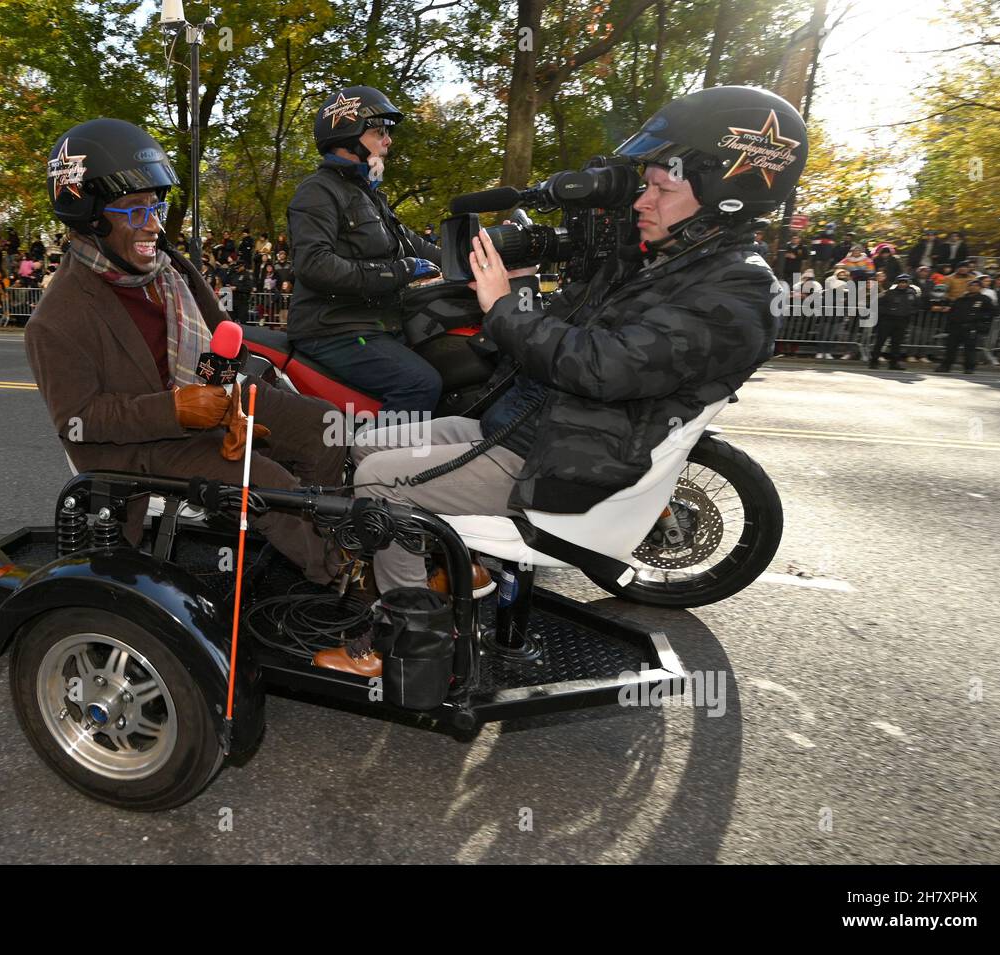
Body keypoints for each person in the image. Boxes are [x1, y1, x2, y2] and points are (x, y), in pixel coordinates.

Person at [314, 85, 808, 675]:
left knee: (380, 482)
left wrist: (504, 307)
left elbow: (599, 366)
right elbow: (529, 339)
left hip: (564, 459)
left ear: (728, 190)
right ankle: (450, 572)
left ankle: (410, 643)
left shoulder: (736, 290)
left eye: (660, 188)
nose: (643, 201)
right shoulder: (665, 263)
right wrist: (518, 286)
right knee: (361, 442)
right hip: (526, 431)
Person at [25, 117, 347, 586]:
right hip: (144, 444)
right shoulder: (56, 319)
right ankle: (340, 580)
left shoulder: (170, 268)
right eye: (135, 211)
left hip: (209, 401)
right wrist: (177, 409)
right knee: (268, 482)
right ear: (90, 216)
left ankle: (311, 543)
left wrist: (229, 397)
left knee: (323, 426)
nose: (153, 224)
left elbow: (221, 336)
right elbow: (81, 419)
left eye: (156, 207)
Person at [286, 85, 444, 415]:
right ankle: (375, 463)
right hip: (334, 329)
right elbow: (314, 265)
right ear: (348, 135)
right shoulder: (317, 191)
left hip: (375, 324)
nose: (388, 141)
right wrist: (398, 272)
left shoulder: (369, 196)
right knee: (420, 383)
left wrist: (477, 256)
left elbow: (415, 244)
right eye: (378, 132)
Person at [934, 277, 994, 374]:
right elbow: (953, 312)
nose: (973, 287)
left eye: (976, 286)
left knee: (969, 349)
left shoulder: (984, 299)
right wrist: (950, 325)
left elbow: (991, 312)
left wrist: (979, 320)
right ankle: (946, 366)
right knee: (950, 347)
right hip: (956, 327)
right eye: (971, 285)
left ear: (980, 288)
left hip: (971, 327)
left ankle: (969, 367)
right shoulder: (961, 299)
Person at [870, 274, 921, 369]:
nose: (903, 284)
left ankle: (894, 363)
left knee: (896, 343)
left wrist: (910, 312)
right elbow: (876, 304)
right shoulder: (889, 293)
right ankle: (874, 362)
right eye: (901, 282)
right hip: (887, 320)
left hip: (902, 321)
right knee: (880, 341)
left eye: (905, 282)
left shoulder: (912, 294)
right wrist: (887, 311)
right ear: (897, 283)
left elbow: (916, 306)